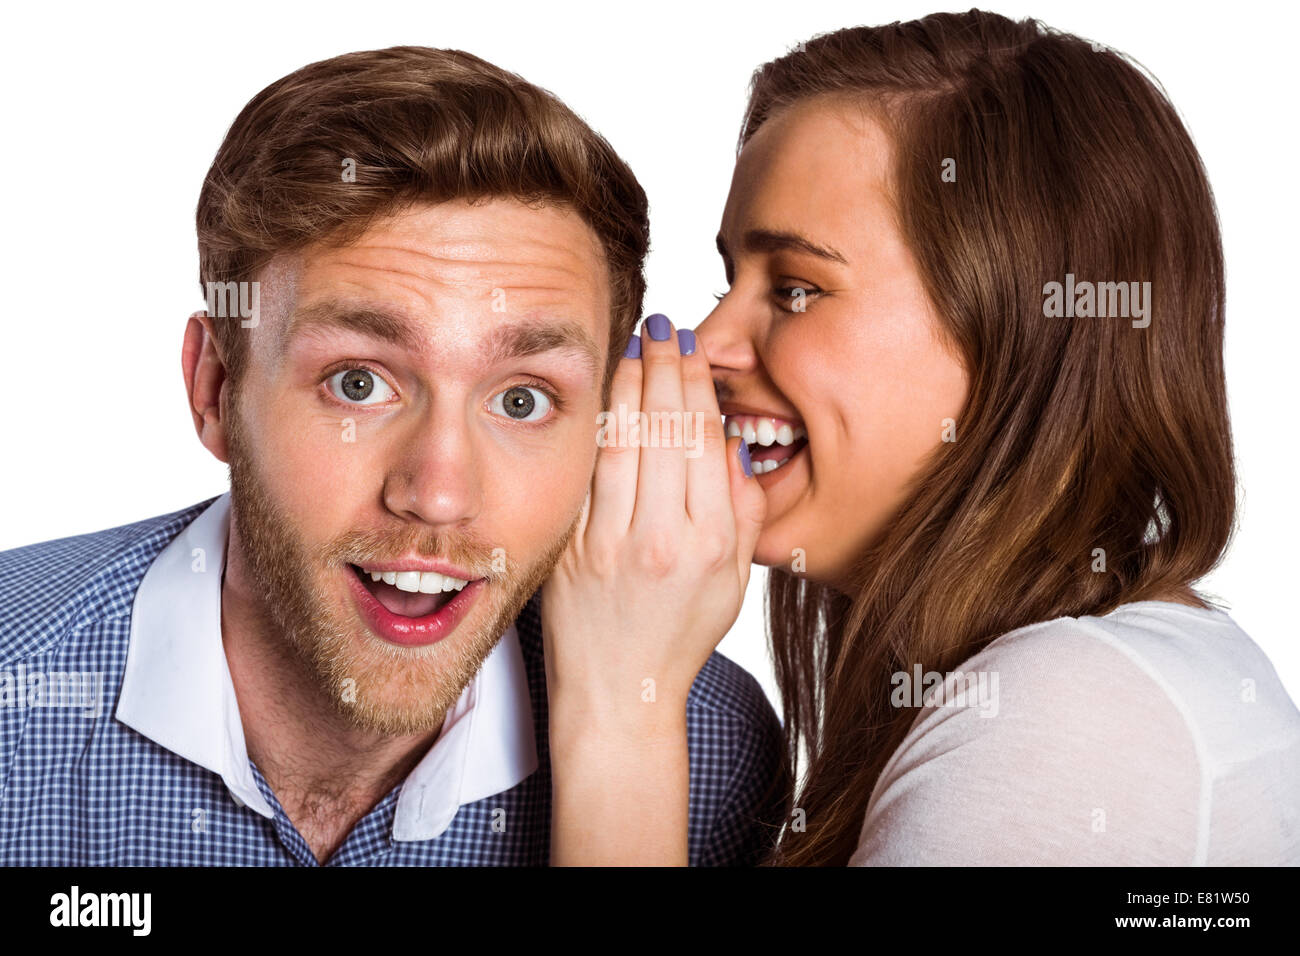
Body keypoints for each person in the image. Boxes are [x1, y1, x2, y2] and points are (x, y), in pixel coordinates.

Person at [543, 11, 1300, 865]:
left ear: (1018, 331)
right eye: (731, 279)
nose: (711, 343)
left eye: (795, 287)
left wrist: (617, 707)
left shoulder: (1071, 723)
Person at [0, 47, 786, 866]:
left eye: (522, 400)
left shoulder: (708, 756)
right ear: (216, 389)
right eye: (357, 383)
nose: (439, 495)